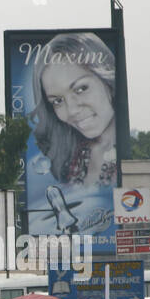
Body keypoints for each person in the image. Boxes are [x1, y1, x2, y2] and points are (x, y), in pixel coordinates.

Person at [31, 31, 118, 193]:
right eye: (57, 101)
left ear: (107, 79)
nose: (71, 110)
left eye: (81, 88)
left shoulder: (136, 156)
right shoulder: (73, 156)